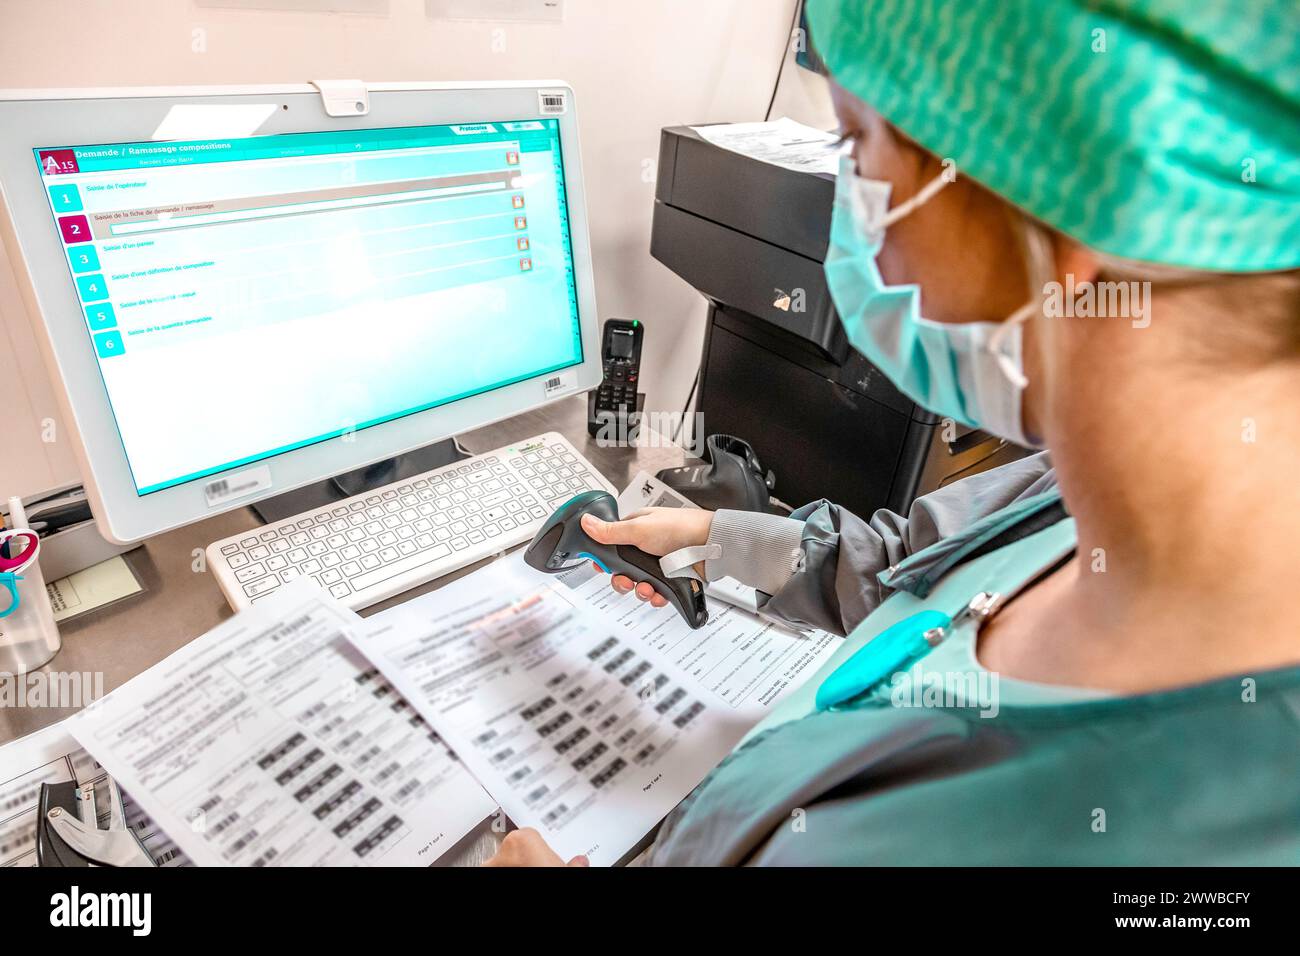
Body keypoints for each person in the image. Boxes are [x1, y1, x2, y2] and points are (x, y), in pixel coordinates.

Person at [486, 0, 1300, 866]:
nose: (850, 222)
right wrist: (715, 536)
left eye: (861, 158)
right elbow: (914, 577)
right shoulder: (1085, 486)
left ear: (1056, 207)